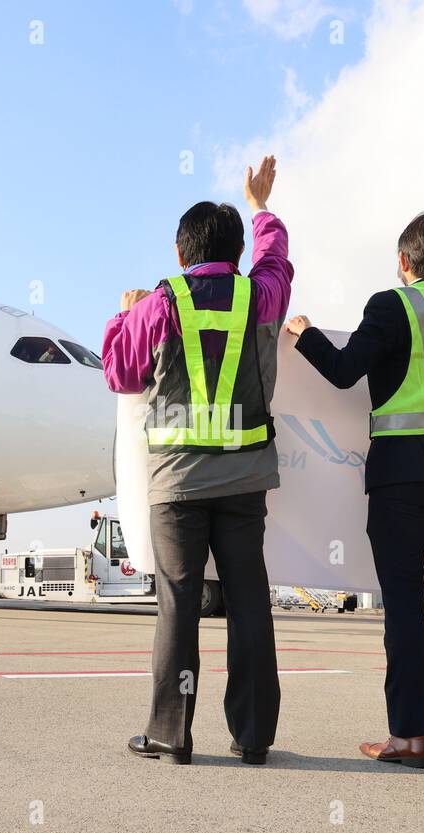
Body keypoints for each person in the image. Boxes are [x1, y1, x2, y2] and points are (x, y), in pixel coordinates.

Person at [285, 195, 424, 769]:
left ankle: (410, 737)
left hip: (401, 476)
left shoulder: (390, 305)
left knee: (404, 606)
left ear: (403, 261)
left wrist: (303, 333)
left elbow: (342, 370)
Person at [101, 156, 291, 766]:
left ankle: (170, 734)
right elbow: (278, 263)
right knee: (249, 600)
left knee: (178, 603)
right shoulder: (259, 296)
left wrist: (122, 315)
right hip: (244, 476)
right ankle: (254, 735)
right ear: (235, 252)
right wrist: (261, 206)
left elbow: (120, 375)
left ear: (181, 252)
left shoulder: (162, 303)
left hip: (177, 479)